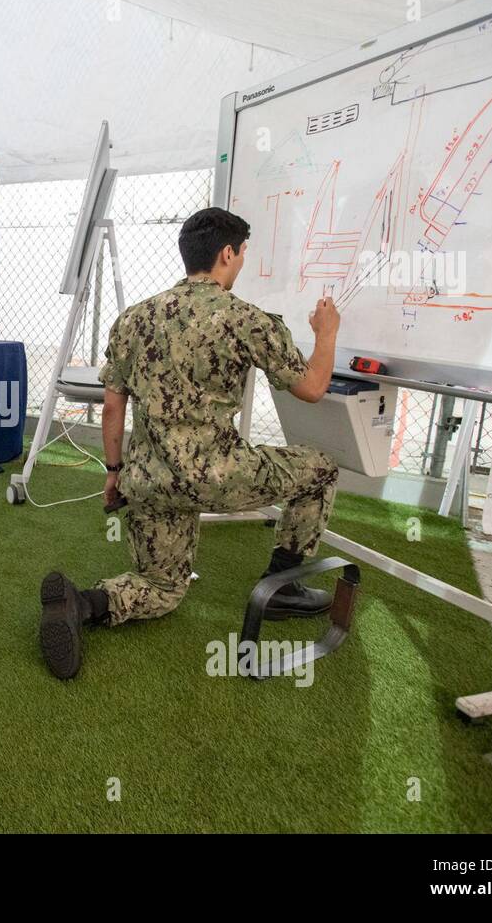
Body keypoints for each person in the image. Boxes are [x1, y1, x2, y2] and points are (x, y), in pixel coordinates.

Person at [37, 207, 342, 680]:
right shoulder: (248, 319)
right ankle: (282, 586)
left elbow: (113, 407)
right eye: (241, 254)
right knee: (320, 469)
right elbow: (313, 388)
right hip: (220, 477)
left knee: (161, 588)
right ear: (227, 253)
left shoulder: (133, 319)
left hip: (149, 480)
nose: (240, 263)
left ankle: (85, 603)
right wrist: (328, 333)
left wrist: (114, 474)